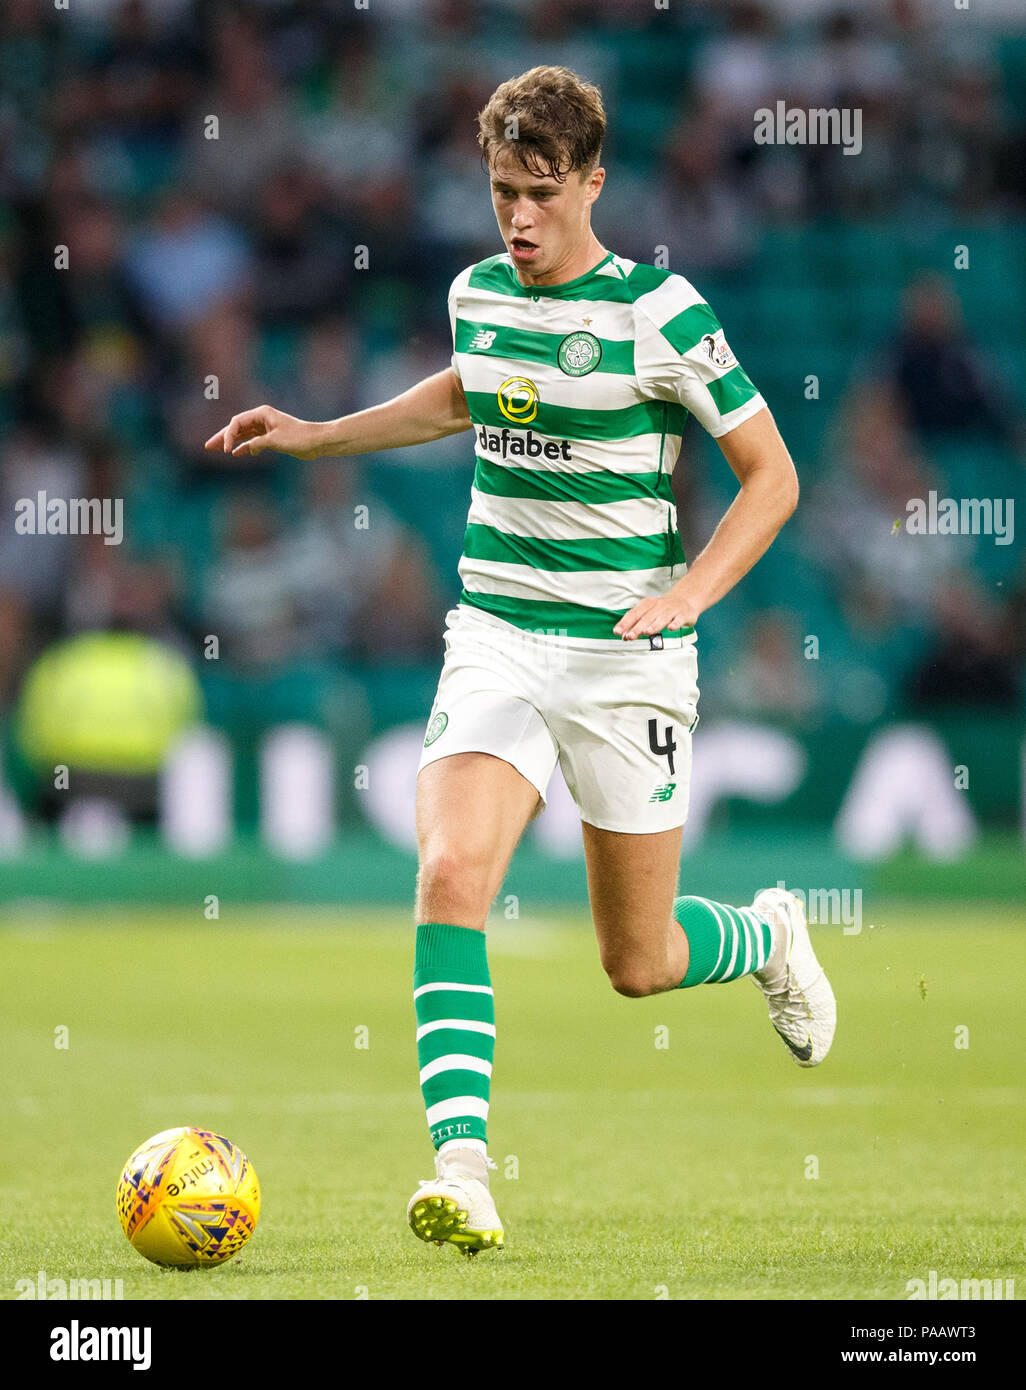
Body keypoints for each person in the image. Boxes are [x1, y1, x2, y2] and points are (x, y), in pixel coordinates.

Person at [205, 65, 835, 1258]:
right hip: (495, 632)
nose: (520, 219)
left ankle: (769, 936)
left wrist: (691, 592)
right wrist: (320, 434)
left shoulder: (662, 313)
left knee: (637, 963)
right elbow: (468, 392)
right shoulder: (476, 292)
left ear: (595, 181)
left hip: (625, 658)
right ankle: (463, 1169)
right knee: (450, 873)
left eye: (543, 193)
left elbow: (775, 474)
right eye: (502, 192)